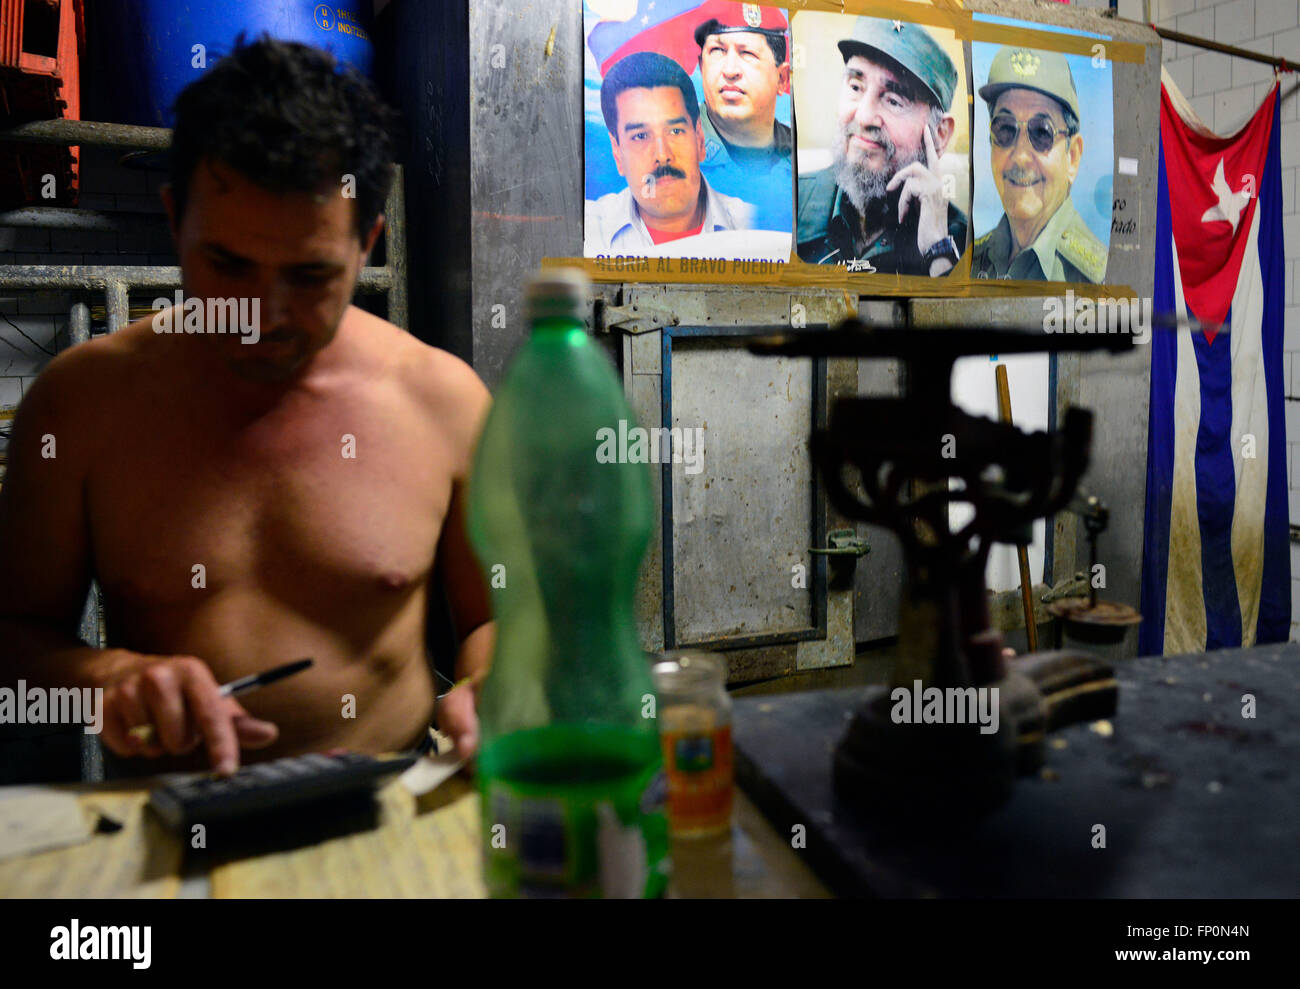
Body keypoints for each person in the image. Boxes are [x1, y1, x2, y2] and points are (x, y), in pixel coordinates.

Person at [0, 39, 493, 775]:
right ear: (175, 221)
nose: (261, 312)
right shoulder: (80, 405)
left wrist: (492, 689)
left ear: (367, 247)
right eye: (228, 264)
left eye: (309, 274)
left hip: (389, 812)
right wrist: (105, 681)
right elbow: (15, 639)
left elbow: (496, 615)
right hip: (173, 830)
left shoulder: (443, 401)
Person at [796, 15, 967, 275]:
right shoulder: (792, 204)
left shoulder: (963, 244)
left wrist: (938, 253)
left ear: (940, 135)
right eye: (855, 86)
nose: (864, 117)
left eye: (894, 100)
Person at [585, 51, 753, 256]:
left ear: (699, 138)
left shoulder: (754, 226)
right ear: (617, 153)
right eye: (640, 136)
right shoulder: (585, 229)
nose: (663, 155)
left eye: (675, 131)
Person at [972, 46, 1107, 283]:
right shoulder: (969, 264)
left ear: (1073, 157)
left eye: (1042, 133)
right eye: (1005, 129)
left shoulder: (1099, 282)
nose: (1021, 156)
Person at [692, 1, 792, 231]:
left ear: (782, 79)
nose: (730, 71)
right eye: (717, 51)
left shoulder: (797, 158)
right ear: (701, 66)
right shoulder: (671, 147)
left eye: (747, 53)